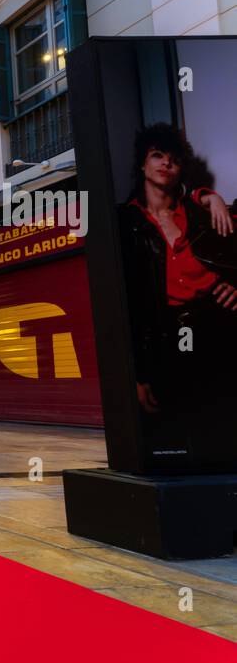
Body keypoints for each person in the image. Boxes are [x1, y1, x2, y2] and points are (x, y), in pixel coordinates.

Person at [118, 122, 237, 463]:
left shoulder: (200, 212)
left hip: (216, 326)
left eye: (173, 159)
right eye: (157, 156)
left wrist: (210, 196)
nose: (165, 164)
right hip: (165, 336)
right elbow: (129, 305)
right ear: (142, 164)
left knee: (220, 427)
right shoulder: (127, 222)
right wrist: (137, 374)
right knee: (172, 432)